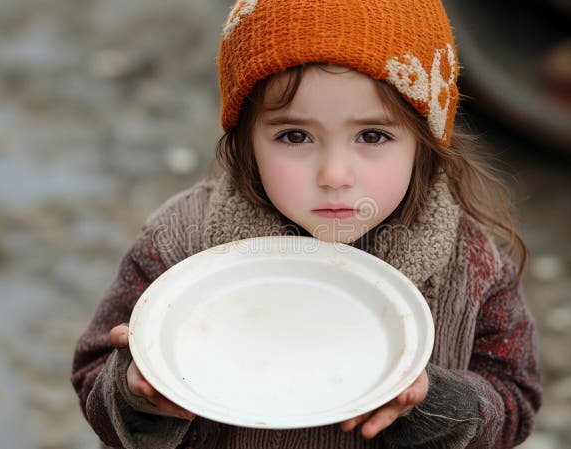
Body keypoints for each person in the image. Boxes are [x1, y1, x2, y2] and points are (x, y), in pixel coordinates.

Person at [71, 1, 542, 448]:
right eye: (294, 136)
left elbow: (515, 402)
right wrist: (136, 392)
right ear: (245, 138)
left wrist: (431, 402)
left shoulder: (472, 265)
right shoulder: (182, 244)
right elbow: (92, 373)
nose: (334, 175)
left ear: (424, 139)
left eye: (372, 135)